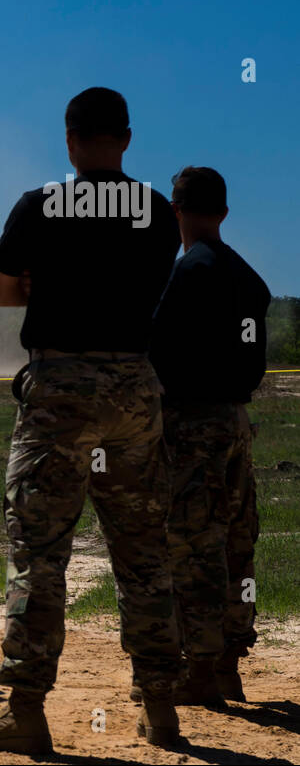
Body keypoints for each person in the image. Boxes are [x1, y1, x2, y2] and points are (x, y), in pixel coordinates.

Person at [0, 87, 183, 754]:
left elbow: (1, 289)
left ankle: (26, 709)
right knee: (143, 553)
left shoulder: (42, 204)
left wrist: (43, 284)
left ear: (69, 140)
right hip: (136, 390)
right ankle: (161, 705)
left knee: (41, 552)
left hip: (61, 391)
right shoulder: (158, 211)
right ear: (127, 138)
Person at [148, 166, 270, 706]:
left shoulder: (186, 273)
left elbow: (157, 354)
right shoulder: (250, 279)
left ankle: (197, 671)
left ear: (176, 211)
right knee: (236, 540)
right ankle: (227, 663)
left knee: (192, 542)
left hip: (190, 425)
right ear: (222, 212)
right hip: (236, 424)